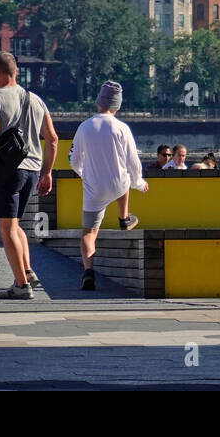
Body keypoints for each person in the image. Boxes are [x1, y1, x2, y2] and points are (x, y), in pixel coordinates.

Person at [0, 52, 57, 299]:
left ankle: (21, 286)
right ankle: (27, 270)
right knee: (16, 225)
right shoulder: (36, 99)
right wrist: (47, 172)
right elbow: (53, 139)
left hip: (9, 172)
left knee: (7, 229)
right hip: (33, 171)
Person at [69, 81, 148, 290]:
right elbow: (133, 162)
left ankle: (88, 271)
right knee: (124, 180)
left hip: (93, 188)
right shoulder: (122, 128)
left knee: (88, 232)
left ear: (98, 102)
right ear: (117, 105)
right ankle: (123, 217)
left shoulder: (84, 127)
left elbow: (74, 160)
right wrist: (139, 183)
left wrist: (83, 174)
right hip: (118, 185)